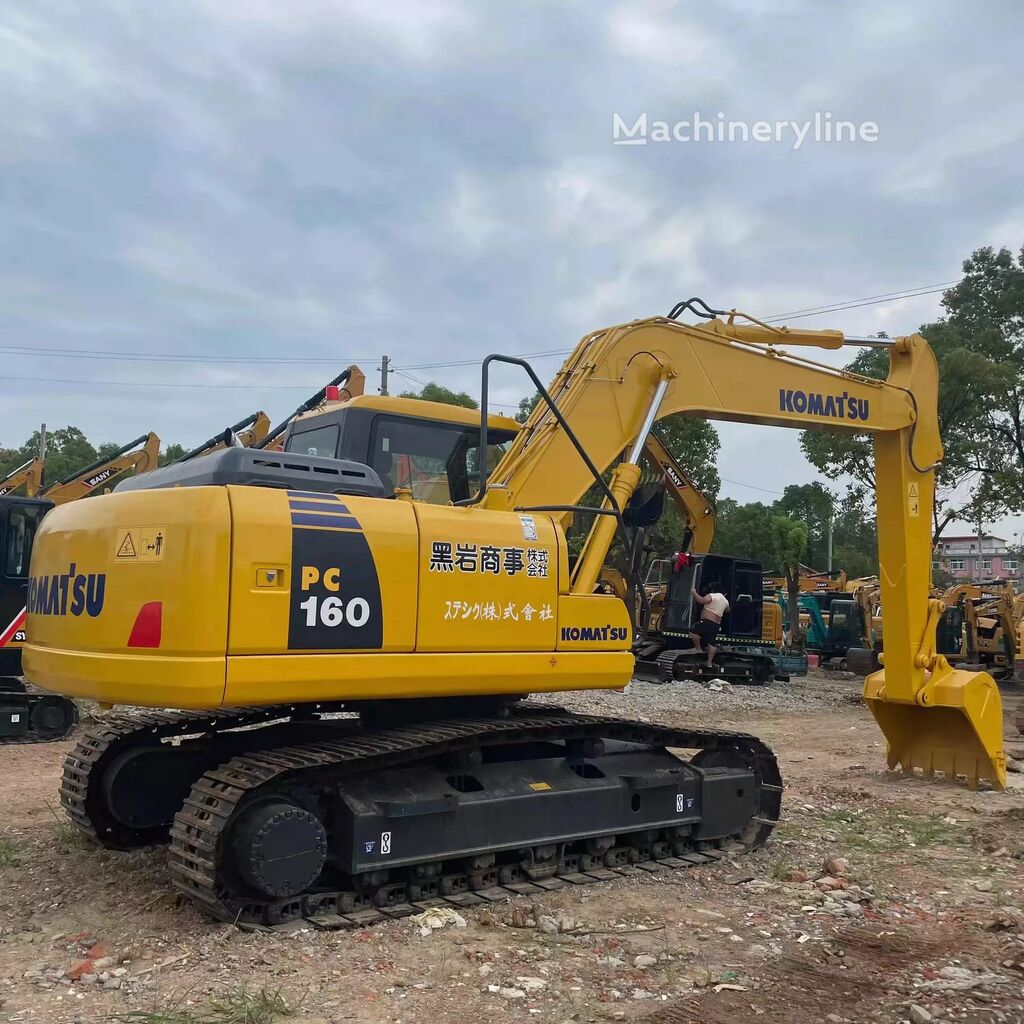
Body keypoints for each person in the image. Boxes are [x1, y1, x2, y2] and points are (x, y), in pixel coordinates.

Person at [690, 585, 730, 668]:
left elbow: (701, 601)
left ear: (713, 590)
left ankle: (698, 648)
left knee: (693, 630)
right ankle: (709, 662)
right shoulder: (725, 601)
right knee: (711, 644)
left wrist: (694, 593)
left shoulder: (713, 596)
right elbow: (727, 610)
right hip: (716, 625)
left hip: (707, 622)